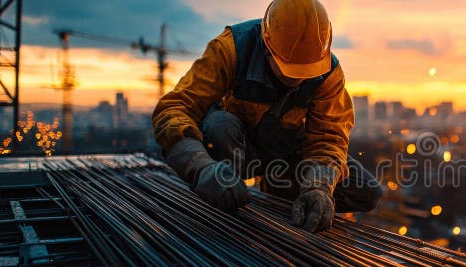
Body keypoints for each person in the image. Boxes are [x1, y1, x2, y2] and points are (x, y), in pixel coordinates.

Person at [152, 0, 382, 233]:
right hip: (234, 154)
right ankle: (224, 201)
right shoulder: (229, 50)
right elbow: (173, 110)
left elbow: (328, 138)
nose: (298, 79)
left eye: (306, 71)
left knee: (365, 191)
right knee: (219, 125)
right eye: (288, 69)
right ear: (266, 45)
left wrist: (318, 187)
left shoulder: (328, 73)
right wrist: (200, 167)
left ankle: (280, 195)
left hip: (284, 161)